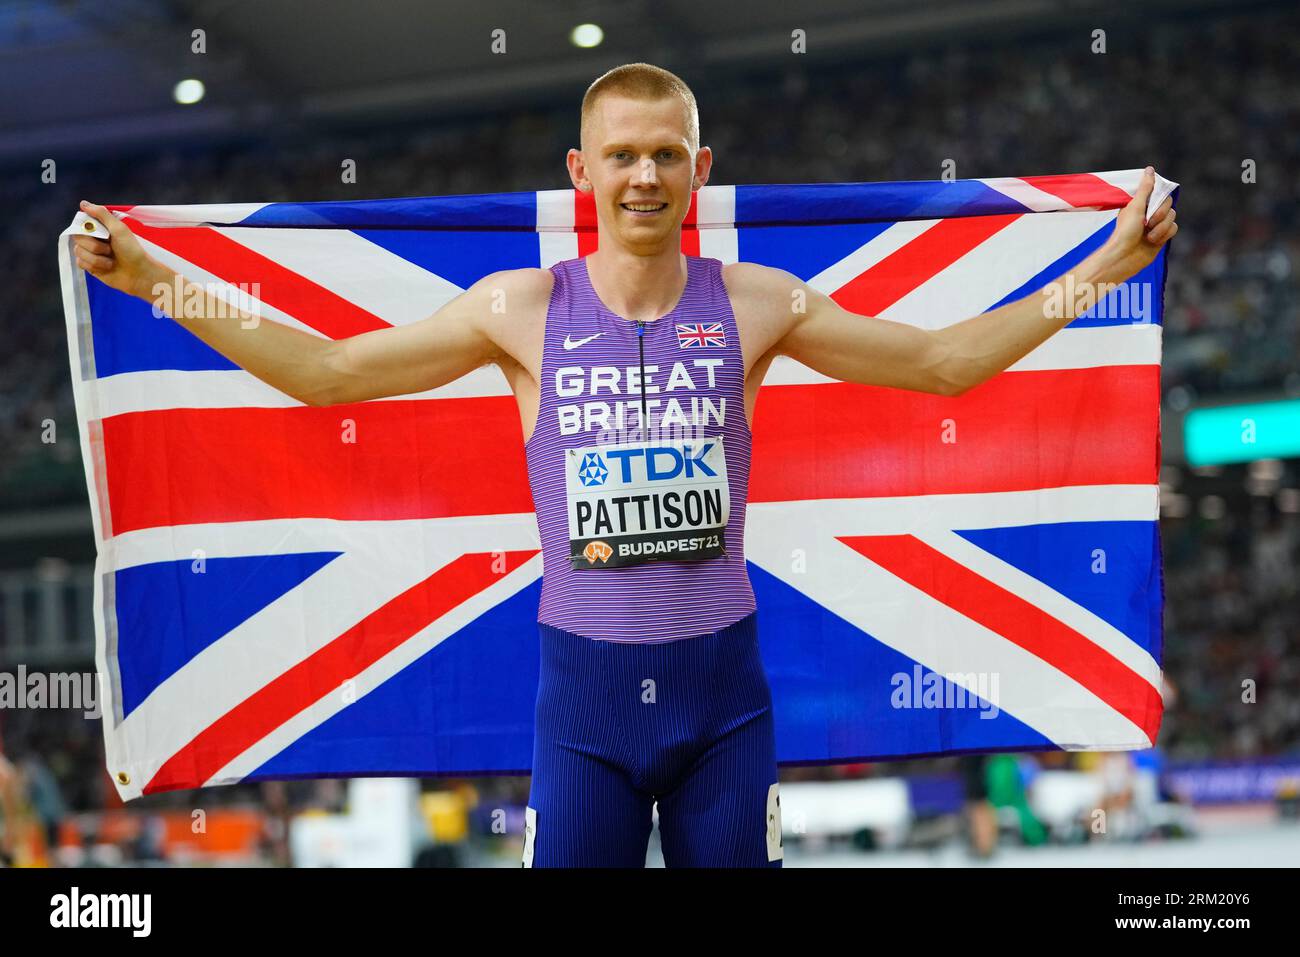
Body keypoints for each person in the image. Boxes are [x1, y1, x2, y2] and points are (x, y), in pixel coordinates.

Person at [72, 62, 1178, 868]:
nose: (642, 176)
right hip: (584, 708)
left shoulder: (756, 304)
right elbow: (325, 373)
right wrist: (152, 281)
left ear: (698, 167)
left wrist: (1111, 261)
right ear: (580, 170)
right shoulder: (520, 309)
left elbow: (942, 364)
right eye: (620, 155)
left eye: (663, 155)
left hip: (725, 703)